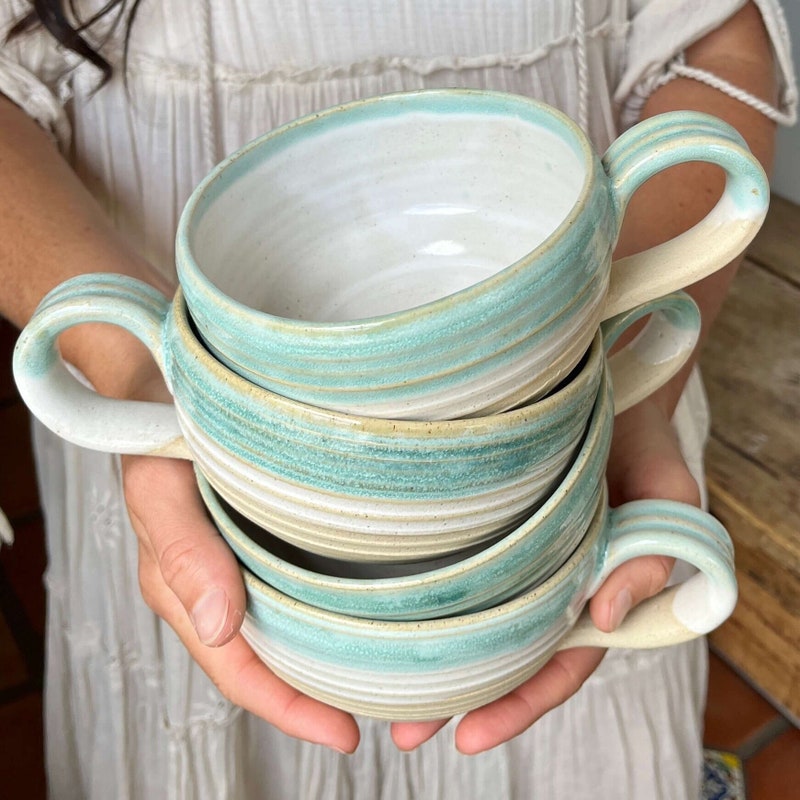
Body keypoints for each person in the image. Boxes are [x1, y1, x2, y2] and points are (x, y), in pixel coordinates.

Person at [0, 1, 795, 797]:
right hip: (210, 499)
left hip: (587, 456)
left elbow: (720, 39)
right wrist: (143, 375)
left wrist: (621, 371)